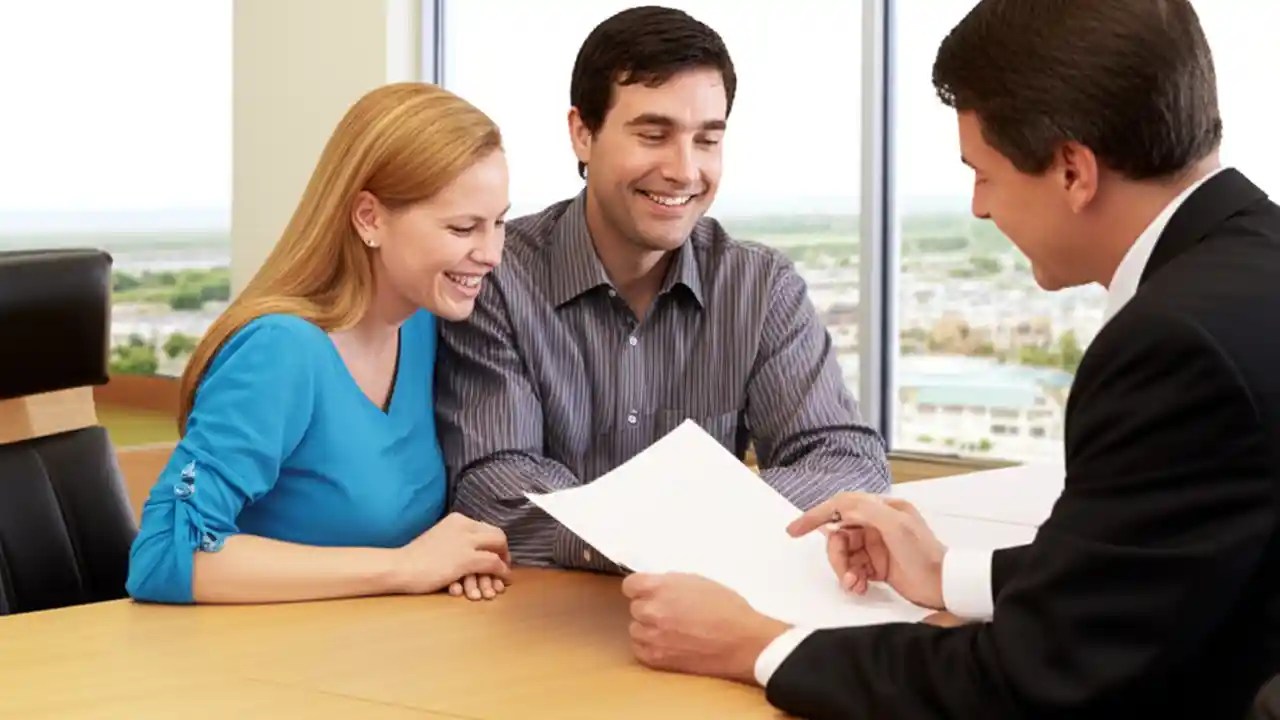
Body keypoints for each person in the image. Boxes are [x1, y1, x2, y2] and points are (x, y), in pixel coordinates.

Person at [618, 0, 1280, 717]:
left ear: (1072, 171)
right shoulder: (1253, 268)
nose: (978, 208)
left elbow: (1030, 683)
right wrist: (945, 574)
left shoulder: (1175, 345)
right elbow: (1154, 565)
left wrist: (755, 645)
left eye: (983, 173)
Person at [435, 5, 890, 573]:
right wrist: (682, 532)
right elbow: (494, 485)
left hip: (709, 619)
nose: (684, 170)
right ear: (583, 133)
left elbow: (847, 462)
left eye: (707, 140)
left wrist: (672, 528)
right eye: (654, 135)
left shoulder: (760, 288)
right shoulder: (497, 277)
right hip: (539, 626)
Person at [126, 82, 515, 605]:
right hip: (261, 667)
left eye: (499, 223)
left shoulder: (422, 324)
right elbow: (164, 554)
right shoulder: (281, 351)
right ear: (369, 218)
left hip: (377, 660)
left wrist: (457, 558)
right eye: (464, 227)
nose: (491, 253)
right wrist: (403, 567)